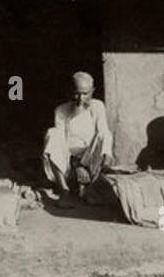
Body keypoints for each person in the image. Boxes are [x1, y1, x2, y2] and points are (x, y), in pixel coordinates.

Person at [42, 71, 114, 208]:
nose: (80, 99)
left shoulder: (97, 106)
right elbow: (60, 145)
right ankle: (64, 192)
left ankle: (90, 189)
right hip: (67, 164)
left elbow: (102, 134)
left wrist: (83, 165)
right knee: (52, 134)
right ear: (70, 92)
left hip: (91, 163)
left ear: (92, 91)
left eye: (85, 94)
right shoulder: (61, 110)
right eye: (77, 93)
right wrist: (76, 165)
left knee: (105, 135)